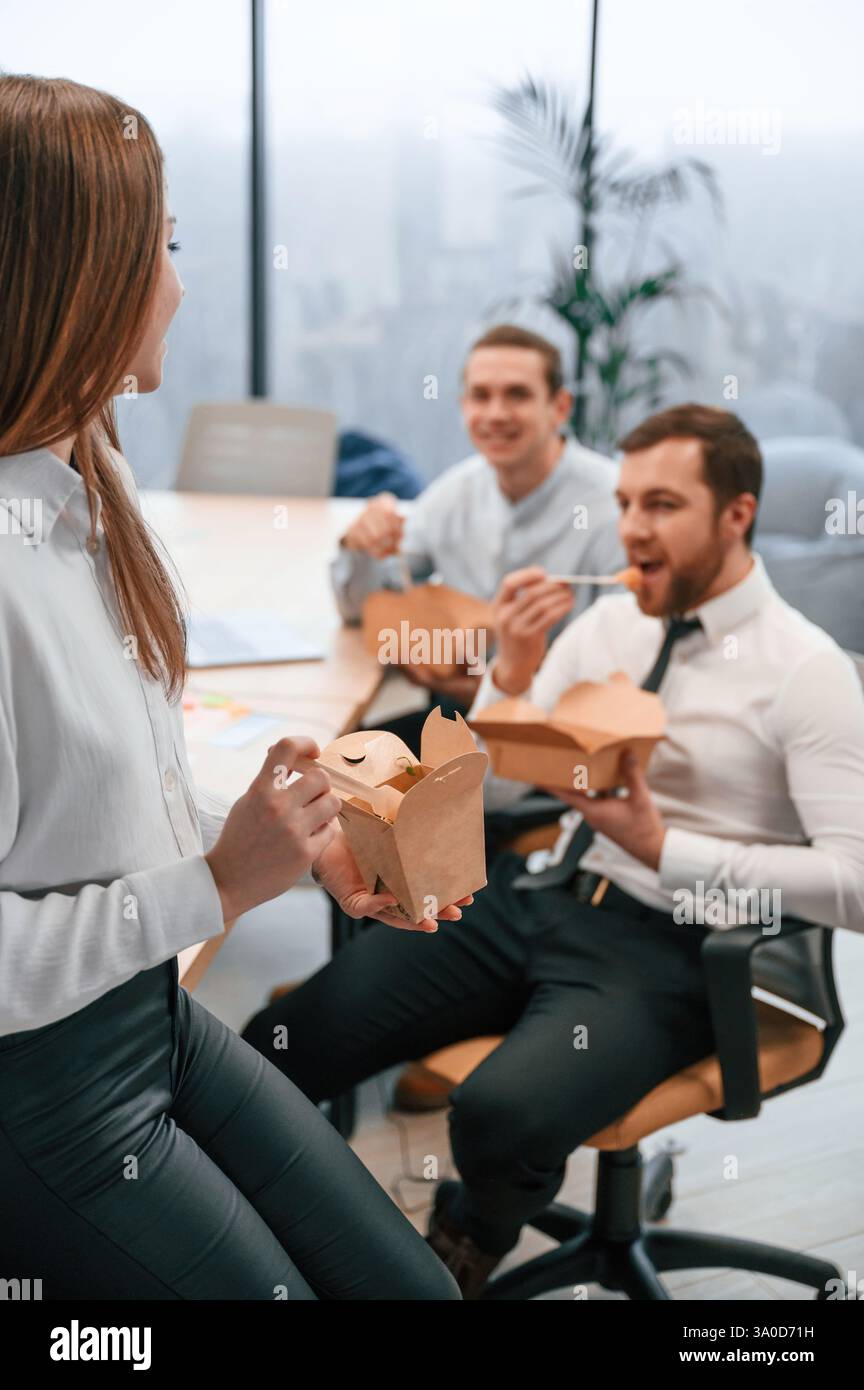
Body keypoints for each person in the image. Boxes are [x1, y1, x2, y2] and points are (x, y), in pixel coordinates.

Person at [0, 73, 461, 1302]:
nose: (182, 281)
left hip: (142, 1013)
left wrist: (292, 848)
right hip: (39, 1081)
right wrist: (212, 885)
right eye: (163, 245)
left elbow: (91, 829)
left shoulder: (86, 479)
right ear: (75, 274)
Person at [241, 404, 864, 1297]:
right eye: (623, 503)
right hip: (546, 894)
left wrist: (665, 847)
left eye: (662, 504)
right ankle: (281, 1256)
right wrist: (515, 671)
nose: (632, 529)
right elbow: (496, 789)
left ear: (738, 514)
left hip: (678, 948)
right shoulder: (615, 625)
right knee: (280, 1045)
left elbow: (856, 885)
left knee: (496, 1117)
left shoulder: (807, 670)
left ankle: (466, 1232)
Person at [330, 324, 623, 737]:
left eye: (517, 395)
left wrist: (492, 689)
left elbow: (628, 674)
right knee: (332, 762)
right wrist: (358, 547)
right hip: (459, 722)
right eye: (481, 396)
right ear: (463, 405)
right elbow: (362, 609)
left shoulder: (615, 508)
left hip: (562, 739)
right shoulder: (454, 493)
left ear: (560, 407)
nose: (496, 414)